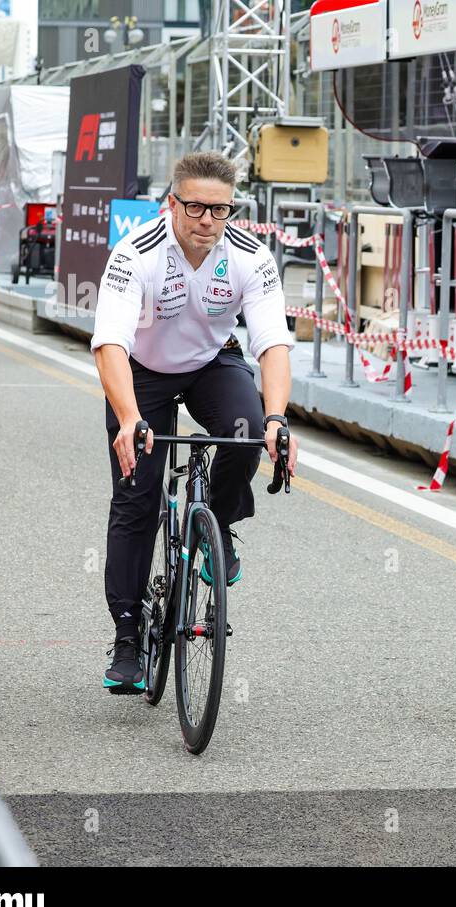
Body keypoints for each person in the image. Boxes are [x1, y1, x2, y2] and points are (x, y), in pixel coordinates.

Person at [91, 151, 299, 693]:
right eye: (195, 207)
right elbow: (109, 343)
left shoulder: (251, 257)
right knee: (136, 499)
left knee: (246, 428)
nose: (207, 220)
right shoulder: (135, 253)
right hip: (143, 372)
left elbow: (272, 342)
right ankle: (129, 637)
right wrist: (130, 417)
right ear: (171, 204)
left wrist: (276, 418)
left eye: (220, 210)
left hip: (211, 362)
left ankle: (219, 526)